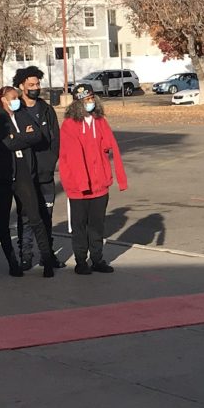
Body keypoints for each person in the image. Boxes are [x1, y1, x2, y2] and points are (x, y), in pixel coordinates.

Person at [0, 86, 58, 278]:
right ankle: (13, 262)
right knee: (4, 218)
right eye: (12, 97)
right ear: (3, 99)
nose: (16, 100)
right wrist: (22, 137)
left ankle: (47, 260)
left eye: (17, 97)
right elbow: (6, 142)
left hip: (24, 171)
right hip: (4, 173)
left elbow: (36, 135)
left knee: (34, 215)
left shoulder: (22, 113)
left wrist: (19, 137)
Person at [58, 86, 127, 275]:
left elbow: (112, 146)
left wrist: (119, 179)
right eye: (85, 99)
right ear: (77, 102)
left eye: (91, 98)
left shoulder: (100, 121)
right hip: (78, 187)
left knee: (97, 225)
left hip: (99, 184)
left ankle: (97, 259)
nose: (90, 102)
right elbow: (71, 157)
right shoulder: (69, 125)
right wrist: (81, 184)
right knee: (79, 226)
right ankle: (81, 260)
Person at [13, 66, 63, 270]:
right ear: (21, 86)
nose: (35, 88)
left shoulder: (46, 109)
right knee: (26, 217)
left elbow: (55, 139)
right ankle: (26, 254)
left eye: (37, 84)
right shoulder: (16, 110)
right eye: (31, 85)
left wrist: (51, 160)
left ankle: (47, 254)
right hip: (25, 174)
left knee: (46, 216)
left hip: (45, 172)